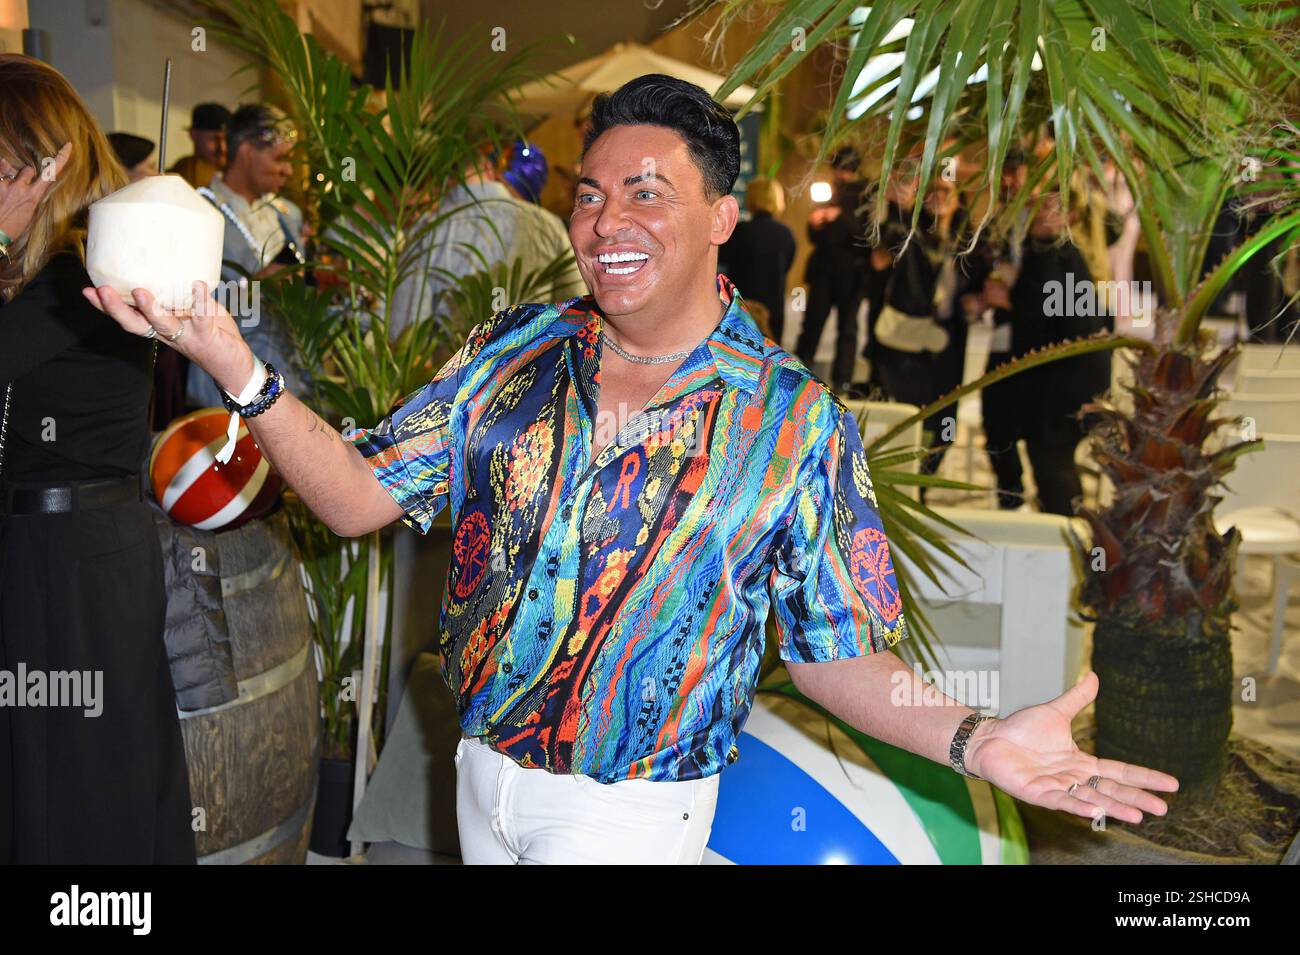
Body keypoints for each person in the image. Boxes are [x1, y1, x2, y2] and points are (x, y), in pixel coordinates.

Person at [88, 73, 1179, 865]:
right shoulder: (517, 349)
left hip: (627, 817)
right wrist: (224, 355)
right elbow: (356, 495)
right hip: (477, 774)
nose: (605, 221)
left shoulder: (794, 425)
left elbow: (836, 655)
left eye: (646, 193)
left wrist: (978, 739)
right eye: (591, 194)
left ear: (721, 217)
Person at [0, 53, 195, 864]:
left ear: (52, 163)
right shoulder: (51, 265)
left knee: (81, 794)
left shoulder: (85, 271)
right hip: (57, 554)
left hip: (70, 561)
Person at [388, 143, 585, 339]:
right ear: (490, 171)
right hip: (536, 363)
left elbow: (405, 335)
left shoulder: (426, 235)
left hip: (459, 366)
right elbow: (577, 310)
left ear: (439, 182)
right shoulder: (546, 224)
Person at [186, 103, 307, 410]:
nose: (289, 170)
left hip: (292, 377)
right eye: (280, 158)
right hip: (226, 385)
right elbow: (184, 304)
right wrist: (254, 288)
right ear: (247, 151)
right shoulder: (198, 212)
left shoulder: (287, 214)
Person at [795, 146, 869, 393]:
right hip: (824, 270)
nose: (841, 174)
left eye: (845, 169)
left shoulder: (866, 193)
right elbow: (815, 239)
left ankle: (842, 382)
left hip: (852, 271)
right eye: (838, 169)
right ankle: (800, 376)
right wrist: (815, 224)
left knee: (847, 328)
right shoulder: (829, 192)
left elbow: (866, 235)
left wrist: (840, 216)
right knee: (813, 323)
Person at [718, 177, 796, 346]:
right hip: (774, 305)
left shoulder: (739, 231)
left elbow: (721, 259)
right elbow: (788, 265)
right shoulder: (786, 234)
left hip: (742, 305)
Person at [167, 102, 229, 190]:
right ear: (193, 134)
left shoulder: (235, 172)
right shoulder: (183, 172)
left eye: (226, 139)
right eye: (214, 139)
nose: (222, 148)